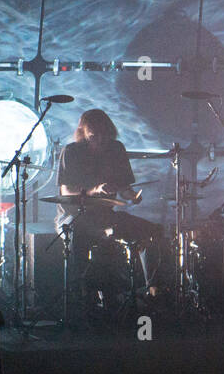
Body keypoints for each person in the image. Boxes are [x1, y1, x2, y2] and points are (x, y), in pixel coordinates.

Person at [55, 108, 159, 286]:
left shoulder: (116, 149)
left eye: (104, 135)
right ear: (84, 134)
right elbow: (66, 192)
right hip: (74, 217)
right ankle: (77, 292)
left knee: (154, 232)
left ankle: (153, 289)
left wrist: (133, 196)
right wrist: (95, 190)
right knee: (77, 235)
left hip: (105, 216)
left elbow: (124, 187)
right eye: (94, 136)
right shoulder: (71, 151)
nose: (100, 141)